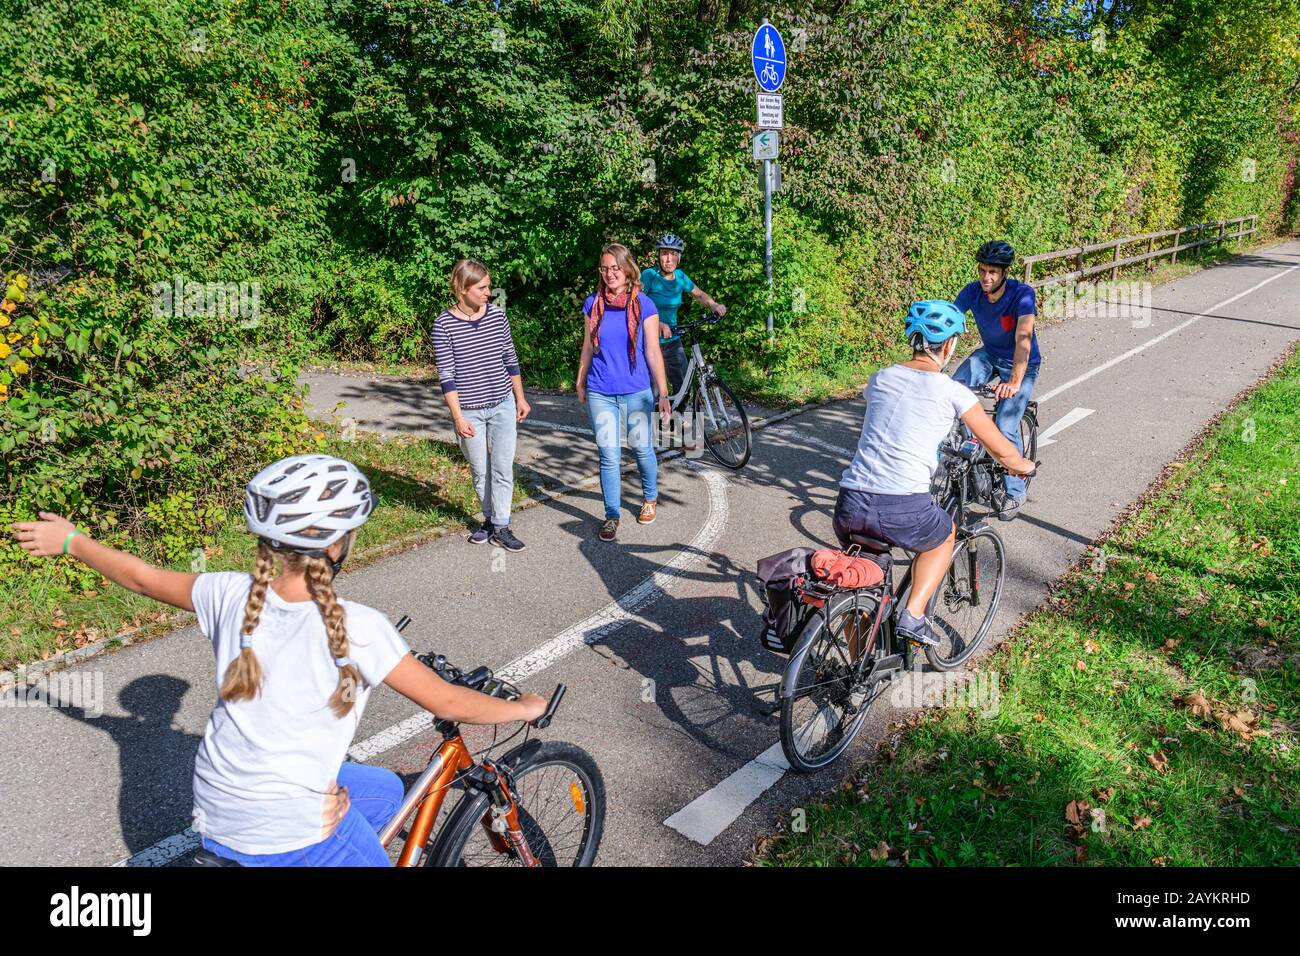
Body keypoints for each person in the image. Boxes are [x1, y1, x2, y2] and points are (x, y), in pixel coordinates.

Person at [10, 454, 546, 866]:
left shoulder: (229, 592)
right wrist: (523, 708)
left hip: (216, 807)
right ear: (336, 546)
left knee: (383, 790)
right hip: (283, 832)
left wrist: (72, 541)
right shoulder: (360, 627)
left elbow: (142, 577)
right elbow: (450, 700)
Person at [833, 301, 1035, 651]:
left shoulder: (879, 379)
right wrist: (1022, 465)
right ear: (949, 346)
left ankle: (856, 673)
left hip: (849, 501)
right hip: (899, 506)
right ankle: (913, 615)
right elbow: (1000, 448)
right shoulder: (952, 391)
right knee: (944, 535)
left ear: (913, 340)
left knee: (862, 584)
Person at [433, 258, 531, 551]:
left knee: (502, 468)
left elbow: (510, 360)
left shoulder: (498, 317)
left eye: (488, 287)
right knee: (481, 471)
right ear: (463, 289)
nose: (488, 292)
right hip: (469, 412)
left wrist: (520, 397)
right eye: (483, 287)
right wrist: (458, 417)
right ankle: (488, 520)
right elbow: (447, 377)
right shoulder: (444, 325)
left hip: (501, 403)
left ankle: (501, 525)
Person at [576, 243, 672, 542]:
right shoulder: (593, 303)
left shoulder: (645, 305)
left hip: (636, 390)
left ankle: (650, 497)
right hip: (600, 390)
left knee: (642, 448)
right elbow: (588, 347)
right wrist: (580, 381)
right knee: (608, 454)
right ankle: (612, 515)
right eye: (604, 268)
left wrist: (665, 394)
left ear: (627, 269)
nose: (609, 274)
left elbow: (653, 352)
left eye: (615, 268)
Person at [951, 240, 1041, 520]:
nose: (986, 277)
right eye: (982, 271)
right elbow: (950, 322)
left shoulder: (1022, 294)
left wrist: (1013, 381)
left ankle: (1015, 492)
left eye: (993, 272)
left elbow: (1023, 338)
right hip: (989, 355)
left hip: (1020, 363)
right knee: (952, 394)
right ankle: (970, 462)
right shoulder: (972, 292)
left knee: (1004, 424)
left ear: (1004, 273)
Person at [640, 234, 726, 398]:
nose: (669, 259)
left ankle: (677, 420)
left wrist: (714, 304)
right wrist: (658, 323)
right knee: (654, 391)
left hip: (672, 340)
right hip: (649, 341)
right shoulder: (649, 275)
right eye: (665, 253)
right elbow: (636, 304)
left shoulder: (680, 277)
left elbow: (699, 294)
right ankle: (652, 422)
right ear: (659, 256)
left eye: (673, 254)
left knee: (683, 387)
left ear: (679, 257)